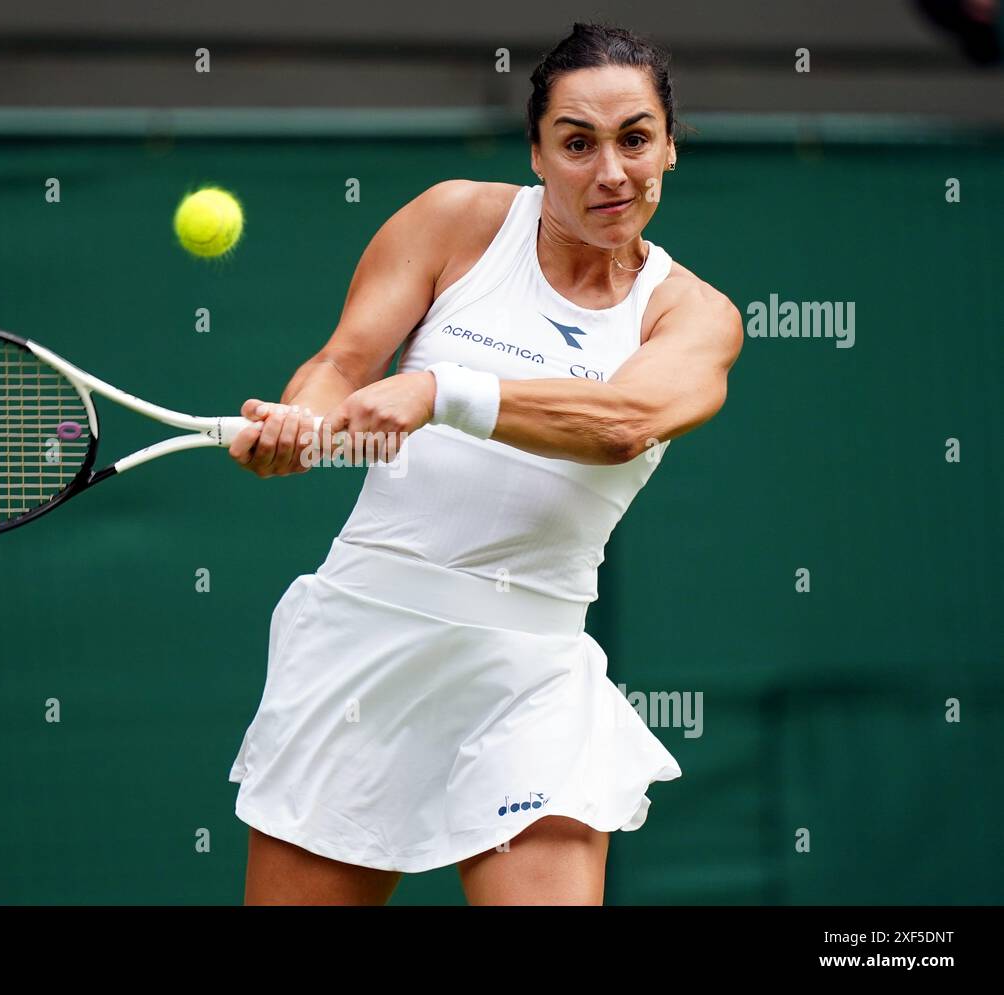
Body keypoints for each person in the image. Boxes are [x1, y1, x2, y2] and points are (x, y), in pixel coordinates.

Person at [226, 22, 743, 906]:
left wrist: (441, 393)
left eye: (635, 139)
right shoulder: (457, 220)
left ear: (669, 148)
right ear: (538, 153)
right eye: (577, 143)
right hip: (363, 648)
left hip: (531, 675)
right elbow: (342, 365)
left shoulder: (694, 315)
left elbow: (625, 422)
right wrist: (300, 424)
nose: (610, 172)